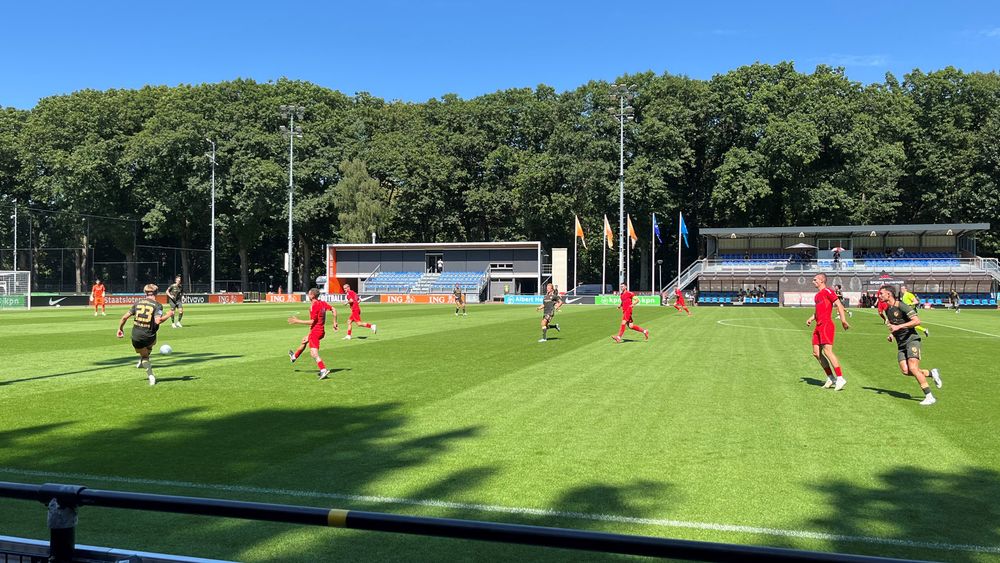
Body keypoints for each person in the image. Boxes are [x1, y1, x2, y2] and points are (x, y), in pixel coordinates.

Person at [878, 285, 942, 405]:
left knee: (913, 368)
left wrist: (898, 327)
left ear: (888, 294)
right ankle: (931, 373)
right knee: (906, 371)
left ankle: (929, 396)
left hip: (912, 340)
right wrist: (892, 334)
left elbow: (917, 321)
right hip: (901, 344)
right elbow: (895, 325)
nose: (879, 295)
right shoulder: (888, 309)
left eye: (881, 293)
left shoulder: (902, 306)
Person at [116, 284, 173, 386]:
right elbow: (158, 321)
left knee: (143, 354)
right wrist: (168, 315)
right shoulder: (157, 305)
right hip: (149, 336)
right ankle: (150, 374)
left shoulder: (137, 303)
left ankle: (146, 367)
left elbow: (124, 318)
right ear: (156, 293)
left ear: (145, 293)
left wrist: (120, 329)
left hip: (136, 336)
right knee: (150, 347)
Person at [805, 273, 850, 390]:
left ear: (821, 280)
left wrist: (843, 320)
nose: (813, 281)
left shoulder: (828, 291)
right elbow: (818, 311)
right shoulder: (817, 296)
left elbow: (839, 305)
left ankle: (840, 378)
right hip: (818, 326)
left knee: (827, 351)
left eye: (815, 279)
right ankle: (831, 377)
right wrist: (811, 318)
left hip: (826, 325)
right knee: (816, 353)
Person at [287, 288, 338, 380]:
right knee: (304, 340)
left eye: (309, 294)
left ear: (312, 295)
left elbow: (312, 322)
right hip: (321, 331)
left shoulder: (314, 306)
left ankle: (323, 370)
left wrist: (297, 321)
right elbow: (334, 309)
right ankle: (294, 357)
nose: (308, 295)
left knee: (314, 353)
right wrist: (334, 322)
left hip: (316, 331)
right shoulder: (322, 303)